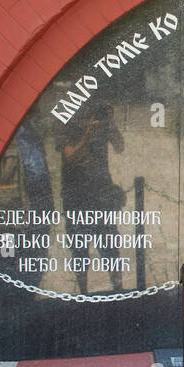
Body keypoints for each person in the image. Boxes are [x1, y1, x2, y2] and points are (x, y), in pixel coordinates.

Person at [61, 101, 126, 292]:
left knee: (110, 248)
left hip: (102, 193)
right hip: (76, 194)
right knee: (79, 250)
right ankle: (83, 294)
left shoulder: (102, 118)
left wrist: (111, 125)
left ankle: (118, 291)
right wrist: (88, 134)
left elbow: (120, 146)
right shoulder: (65, 118)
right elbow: (71, 156)